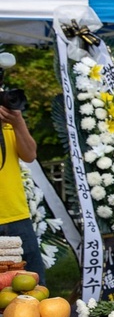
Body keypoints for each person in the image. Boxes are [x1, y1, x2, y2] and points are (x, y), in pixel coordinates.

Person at [0, 96, 45, 282]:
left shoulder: (8, 121)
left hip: (17, 216)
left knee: (34, 286)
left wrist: (18, 122)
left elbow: (29, 154)